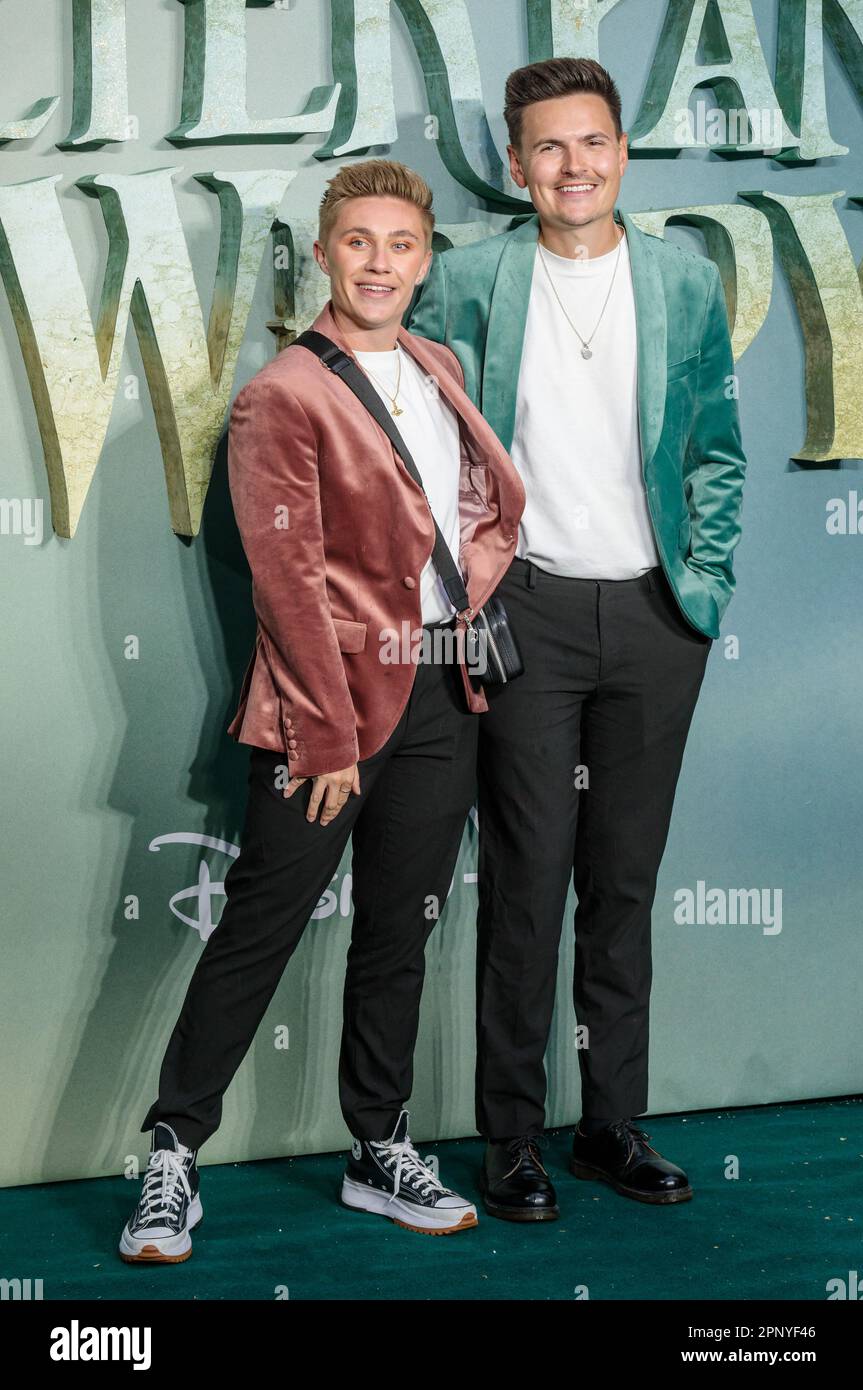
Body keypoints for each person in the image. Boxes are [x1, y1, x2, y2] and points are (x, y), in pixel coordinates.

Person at [119, 159, 525, 1261]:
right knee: (258, 930)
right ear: (324, 253)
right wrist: (330, 731)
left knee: (399, 933)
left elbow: (470, 512)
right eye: (359, 243)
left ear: (424, 257)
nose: (380, 262)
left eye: (400, 243)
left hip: (441, 692)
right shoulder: (279, 394)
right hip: (328, 711)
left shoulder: (438, 365)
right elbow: (284, 582)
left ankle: (376, 1145)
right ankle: (171, 1156)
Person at [407, 57, 747, 1220]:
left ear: (619, 151)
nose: (572, 166)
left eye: (591, 142)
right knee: (524, 880)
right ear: (515, 166)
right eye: (547, 148)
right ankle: (511, 1138)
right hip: (525, 613)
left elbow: (711, 446)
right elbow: (425, 447)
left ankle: (611, 1124)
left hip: (655, 615)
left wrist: (702, 581)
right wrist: (463, 591)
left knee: (622, 884)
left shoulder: (682, 282)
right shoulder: (465, 281)